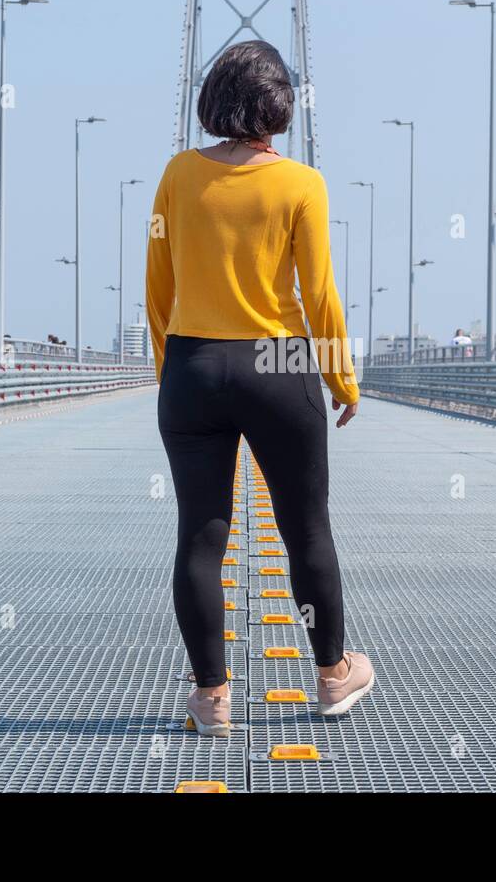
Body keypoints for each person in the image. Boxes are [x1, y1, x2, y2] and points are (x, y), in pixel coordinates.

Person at [145, 40, 374, 737]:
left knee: (200, 536)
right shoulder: (302, 183)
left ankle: (211, 697)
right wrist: (341, 377)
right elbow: (320, 294)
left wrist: (174, 372)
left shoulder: (178, 175)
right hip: (278, 366)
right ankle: (334, 675)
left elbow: (159, 287)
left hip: (194, 365)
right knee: (305, 528)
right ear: (281, 104)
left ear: (215, 97)